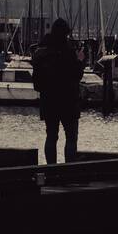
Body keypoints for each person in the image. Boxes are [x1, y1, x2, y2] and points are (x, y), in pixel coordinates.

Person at [31, 18, 84, 163]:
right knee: (71, 137)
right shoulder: (69, 53)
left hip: (49, 102)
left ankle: (51, 170)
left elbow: (37, 83)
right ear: (65, 34)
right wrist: (80, 60)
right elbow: (77, 75)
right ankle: (67, 171)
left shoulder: (41, 53)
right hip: (69, 101)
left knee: (51, 136)